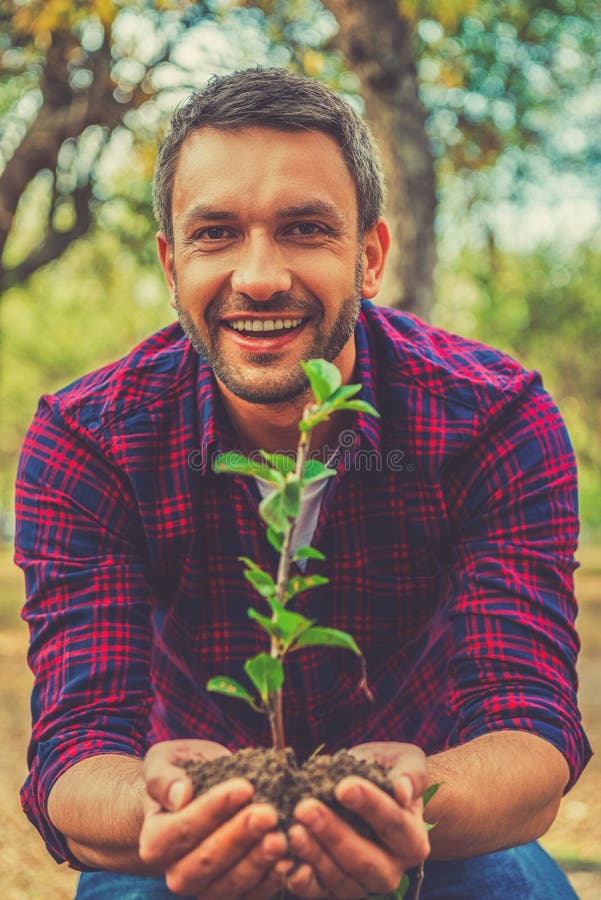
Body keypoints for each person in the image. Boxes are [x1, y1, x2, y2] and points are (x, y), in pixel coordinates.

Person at [15, 67, 590, 900]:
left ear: (369, 257)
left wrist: (408, 797)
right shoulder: (90, 439)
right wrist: (169, 806)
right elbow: (75, 750)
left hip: (436, 822)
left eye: (304, 229)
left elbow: (527, 725)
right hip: (177, 831)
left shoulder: (490, 419)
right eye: (215, 233)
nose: (258, 277)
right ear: (171, 264)